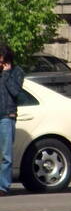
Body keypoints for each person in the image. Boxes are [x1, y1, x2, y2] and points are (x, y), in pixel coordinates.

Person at [0, 46, 23, 195]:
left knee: (6, 155)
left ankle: (3, 187)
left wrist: (7, 74)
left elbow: (16, 92)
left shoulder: (17, 72)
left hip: (6, 117)